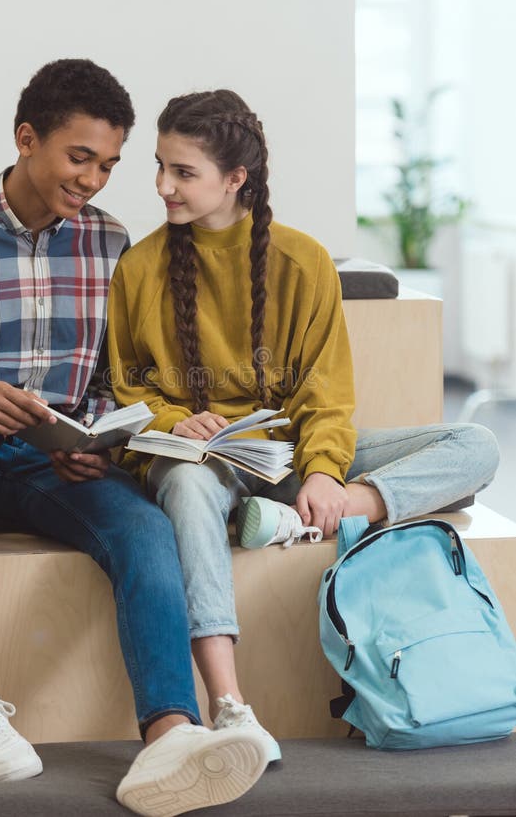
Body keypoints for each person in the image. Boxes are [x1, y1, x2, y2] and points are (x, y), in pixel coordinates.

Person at [0, 63, 270, 817]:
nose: (96, 180)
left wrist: (99, 437)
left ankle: (170, 732)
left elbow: (116, 378)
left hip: (50, 464)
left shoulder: (111, 245)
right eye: (80, 157)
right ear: (27, 139)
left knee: (144, 526)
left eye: (109, 164)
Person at [107, 88, 501, 762]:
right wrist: (179, 420)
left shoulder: (302, 261)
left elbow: (325, 392)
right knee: (185, 483)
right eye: (160, 167)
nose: (162, 186)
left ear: (235, 180)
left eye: (183, 172)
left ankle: (338, 507)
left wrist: (324, 473)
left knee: (474, 444)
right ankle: (229, 706)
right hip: (200, 462)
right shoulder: (139, 266)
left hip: (290, 458)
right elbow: (126, 388)